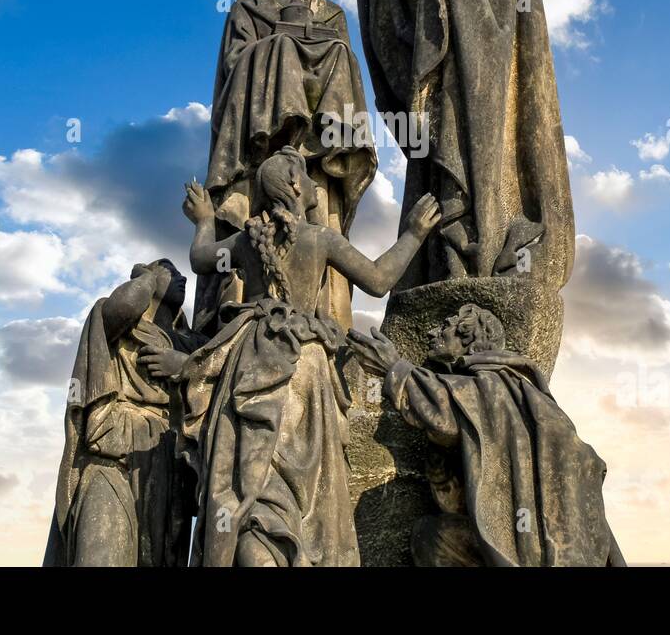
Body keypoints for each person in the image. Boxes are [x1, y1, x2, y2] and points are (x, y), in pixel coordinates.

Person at [326, 0, 573, 289]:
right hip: (436, 57)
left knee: (471, 149)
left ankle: (479, 252)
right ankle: (443, 262)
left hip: (480, 52)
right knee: (436, 157)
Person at [175, 146, 440, 566]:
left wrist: (204, 220)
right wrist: (413, 234)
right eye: (311, 177)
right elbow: (378, 279)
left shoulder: (247, 240)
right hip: (303, 360)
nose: (318, 184)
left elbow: (199, 259)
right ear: (297, 186)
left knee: (250, 475)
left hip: (250, 353)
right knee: (303, 483)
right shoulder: (320, 239)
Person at [197, 0, 377, 334]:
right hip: (256, 147)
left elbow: (348, 72)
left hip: (315, 165)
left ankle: (323, 147)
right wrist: (282, 50)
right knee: (278, 47)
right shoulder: (248, 5)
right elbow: (233, 67)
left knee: (339, 55)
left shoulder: (332, 15)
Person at [348, 304, 625, 566]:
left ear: (470, 339)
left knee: (433, 536)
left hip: (520, 545)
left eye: (446, 326)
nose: (433, 333)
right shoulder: (530, 395)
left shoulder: (490, 386)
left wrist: (394, 368)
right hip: (560, 546)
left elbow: (446, 410)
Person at [44, 260, 201, 566]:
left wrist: (184, 365)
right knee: (100, 550)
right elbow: (125, 305)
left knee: (154, 557)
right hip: (109, 450)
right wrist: (147, 278)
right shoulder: (114, 319)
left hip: (164, 456)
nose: (181, 276)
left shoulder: (192, 344)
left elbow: (222, 374)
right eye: (170, 268)